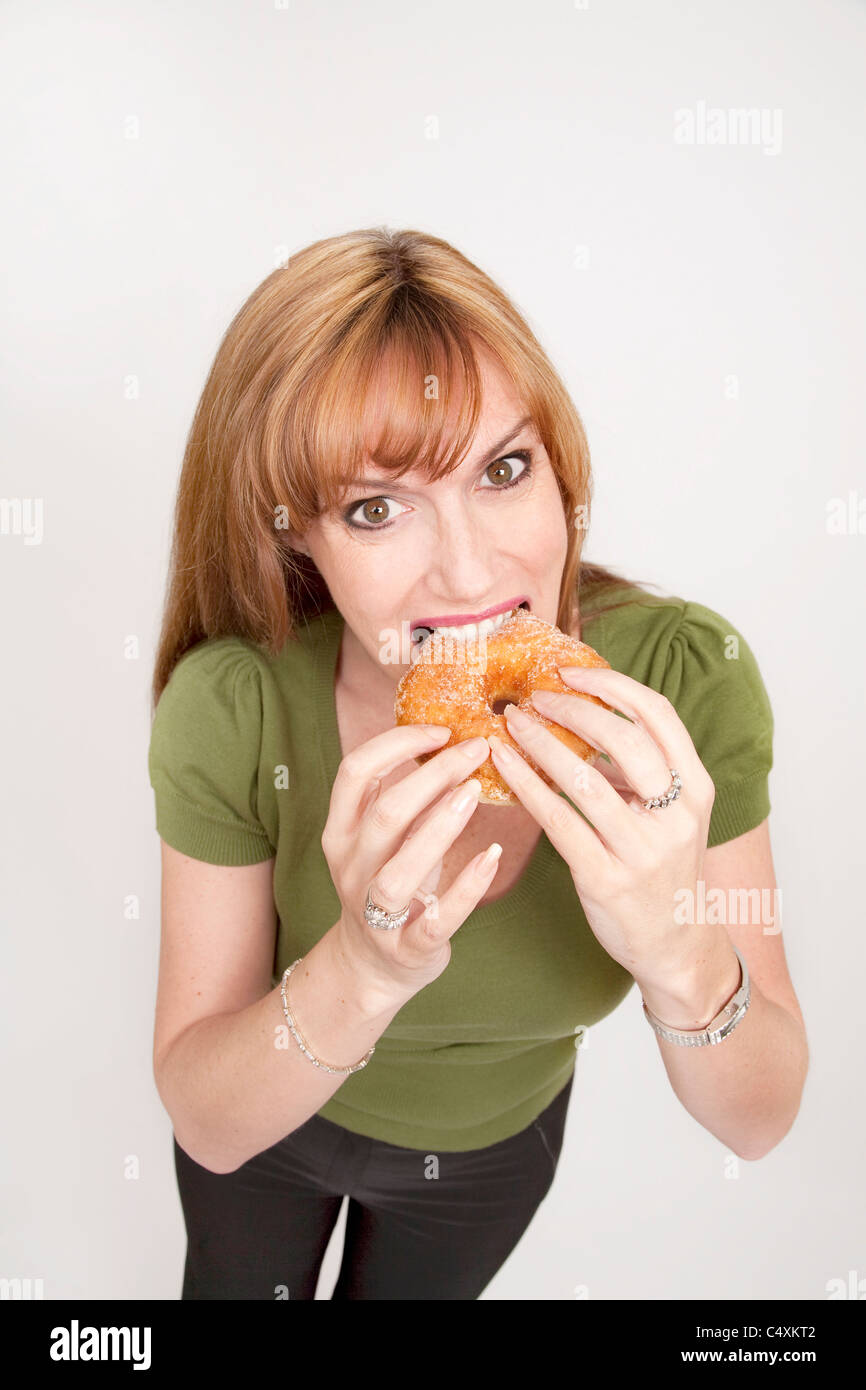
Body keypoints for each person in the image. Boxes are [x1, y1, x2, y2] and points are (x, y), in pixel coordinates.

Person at [148, 226, 808, 1300]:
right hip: (272, 1128)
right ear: (292, 541)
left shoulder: (686, 681)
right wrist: (357, 972)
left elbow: (760, 1118)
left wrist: (678, 946)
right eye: (374, 507)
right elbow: (208, 1125)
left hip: (492, 1158)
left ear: (559, 466)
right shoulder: (235, 705)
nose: (470, 568)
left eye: (503, 468)